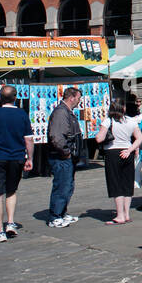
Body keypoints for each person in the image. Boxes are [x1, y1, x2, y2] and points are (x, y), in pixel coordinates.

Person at [94, 100, 142, 225]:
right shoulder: (131, 121)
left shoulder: (108, 121)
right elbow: (139, 138)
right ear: (123, 108)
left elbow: (99, 138)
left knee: (116, 183)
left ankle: (119, 215)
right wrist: (130, 149)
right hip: (128, 152)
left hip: (112, 153)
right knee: (127, 183)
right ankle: (126, 214)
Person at [0, 84, 34, 241]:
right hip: (17, 156)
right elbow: (29, 139)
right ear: (15, 98)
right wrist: (30, 158)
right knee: (11, 191)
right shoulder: (21, 114)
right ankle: (11, 223)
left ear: (0, 98)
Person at [46, 86, 84, 228]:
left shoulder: (68, 112)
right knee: (62, 185)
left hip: (68, 157)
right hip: (61, 157)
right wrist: (66, 152)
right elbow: (56, 137)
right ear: (71, 97)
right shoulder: (61, 113)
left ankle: (62, 212)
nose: (79, 101)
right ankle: (55, 216)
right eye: (78, 98)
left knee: (68, 186)